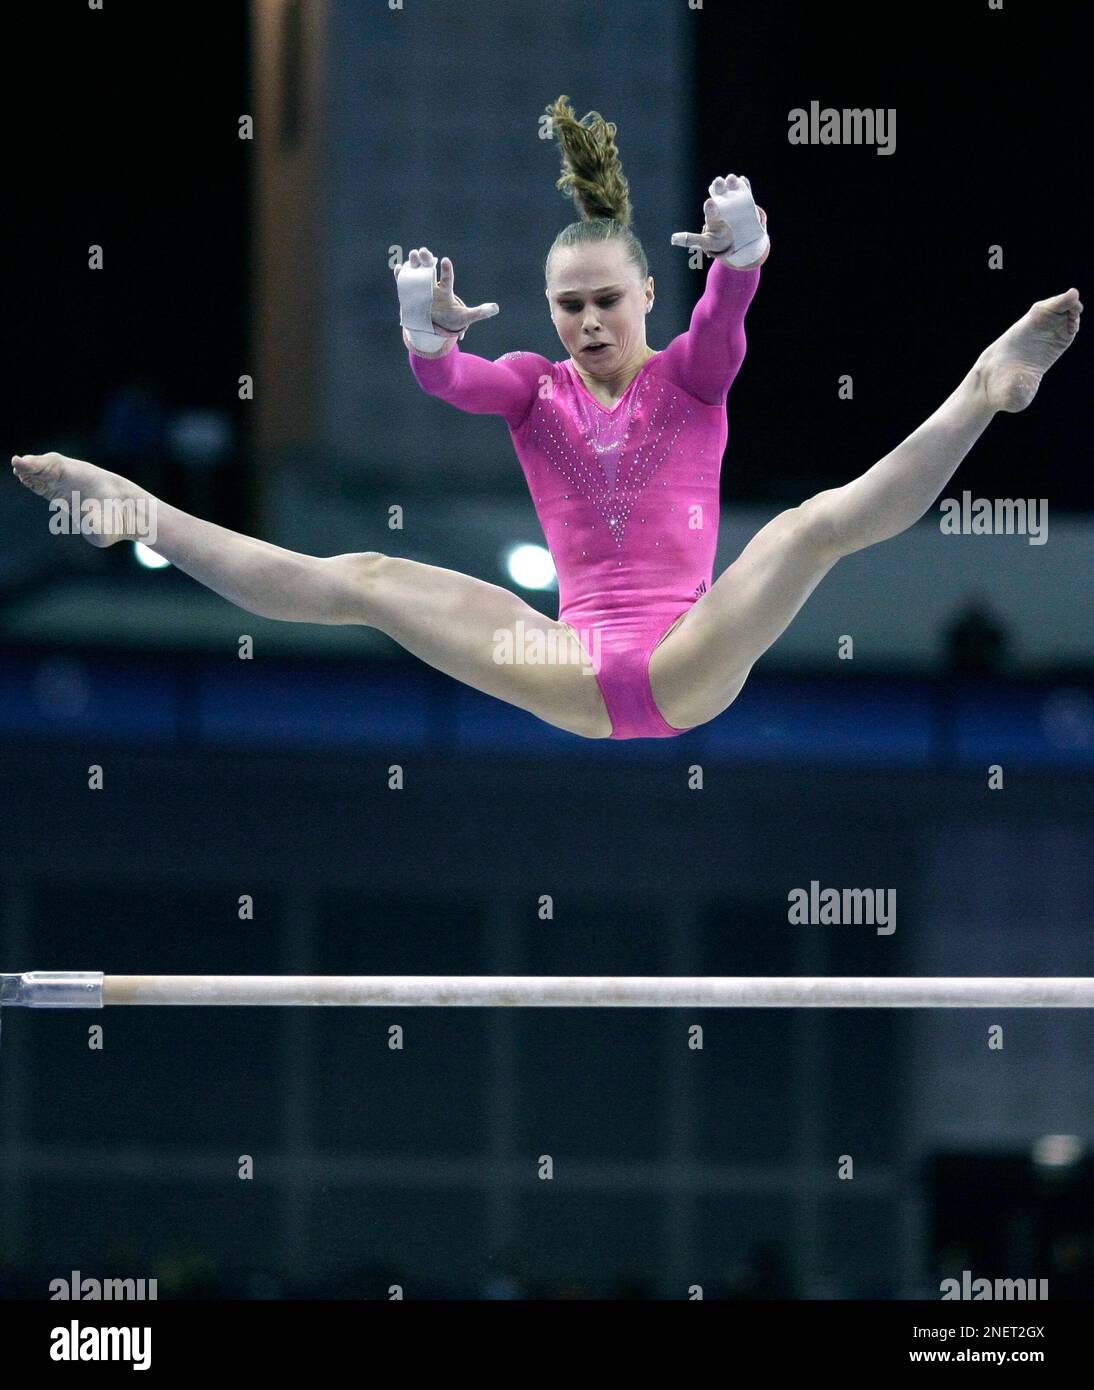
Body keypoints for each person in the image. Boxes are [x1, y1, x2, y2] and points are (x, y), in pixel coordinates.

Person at [11, 96, 1081, 741]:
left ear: (646, 298)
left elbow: (727, 316)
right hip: (563, 662)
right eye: (567, 306)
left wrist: (745, 248)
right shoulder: (530, 386)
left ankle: (984, 389)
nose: (585, 322)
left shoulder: (690, 379)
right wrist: (425, 333)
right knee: (368, 582)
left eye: (606, 301)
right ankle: (139, 513)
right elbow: (449, 385)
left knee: (808, 526)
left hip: (685, 656)